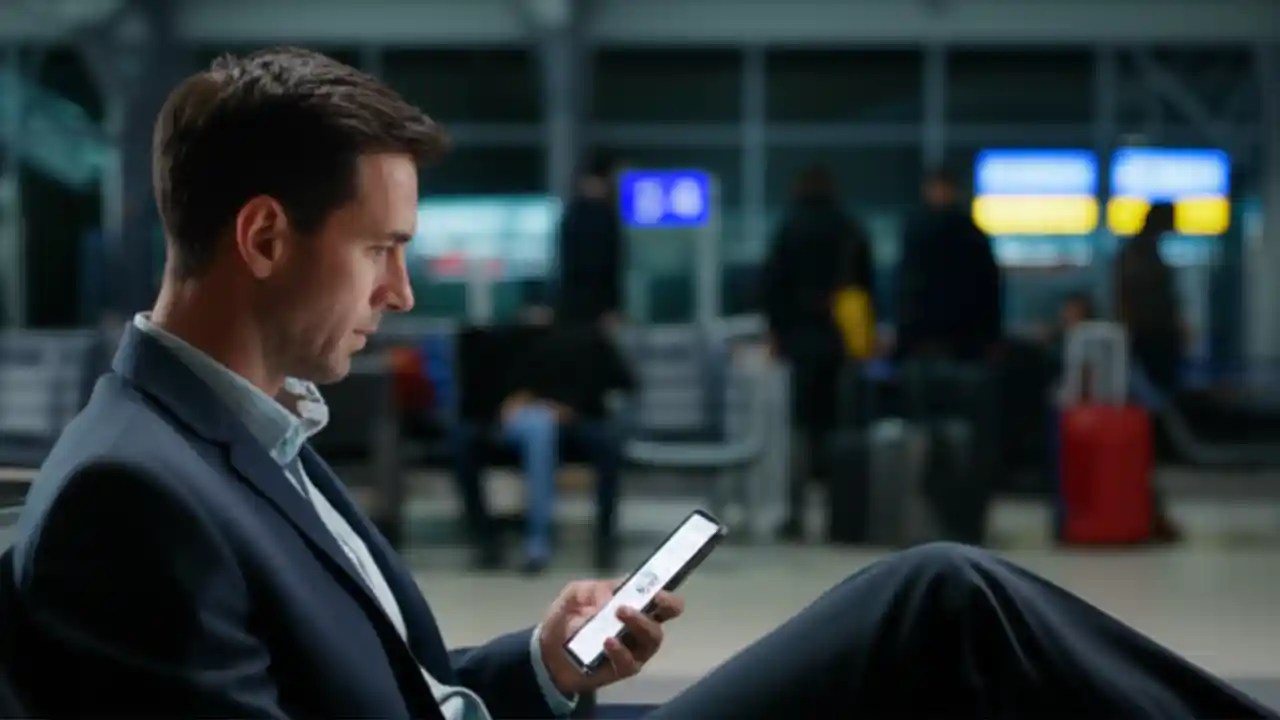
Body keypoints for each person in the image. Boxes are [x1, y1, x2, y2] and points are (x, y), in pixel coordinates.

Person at [1, 48, 1274, 720]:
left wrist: (548, 667)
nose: (402, 295)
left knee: (941, 602)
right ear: (266, 238)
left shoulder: (230, 439)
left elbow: (406, 690)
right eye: (382, 251)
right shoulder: (134, 499)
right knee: (945, 613)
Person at [451, 319, 634, 574]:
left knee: (596, 442)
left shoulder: (584, 340)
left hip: (570, 418)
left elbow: (620, 382)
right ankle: (500, 538)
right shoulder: (497, 340)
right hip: (512, 419)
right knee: (471, 442)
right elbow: (481, 394)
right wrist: (507, 407)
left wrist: (568, 406)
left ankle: (554, 539)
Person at [761, 165, 873, 539]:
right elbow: (865, 285)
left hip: (798, 339)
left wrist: (776, 332)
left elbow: (773, 283)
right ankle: (839, 515)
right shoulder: (848, 227)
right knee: (837, 428)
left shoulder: (789, 227)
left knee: (799, 429)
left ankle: (795, 514)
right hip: (839, 340)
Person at [1113, 202, 1186, 542]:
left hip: (1147, 349)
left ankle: (1147, 511)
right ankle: (1148, 512)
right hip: (1146, 351)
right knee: (1147, 438)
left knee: (1148, 440)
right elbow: (1137, 307)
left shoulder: (1140, 254)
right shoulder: (1141, 257)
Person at [896, 167, 1002, 363]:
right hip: (934, 330)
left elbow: (987, 285)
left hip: (961, 329)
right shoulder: (922, 231)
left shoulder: (966, 233)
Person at [1114, 202, 1184, 398]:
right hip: (1149, 332)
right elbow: (1128, 295)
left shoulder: (1146, 250)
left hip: (1151, 331)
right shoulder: (1137, 253)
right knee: (1152, 389)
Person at [555, 150, 624, 328]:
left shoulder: (574, 214)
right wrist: (609, 307)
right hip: (592, 309)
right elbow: (602, 267)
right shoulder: (600, 216)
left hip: (574, 307)